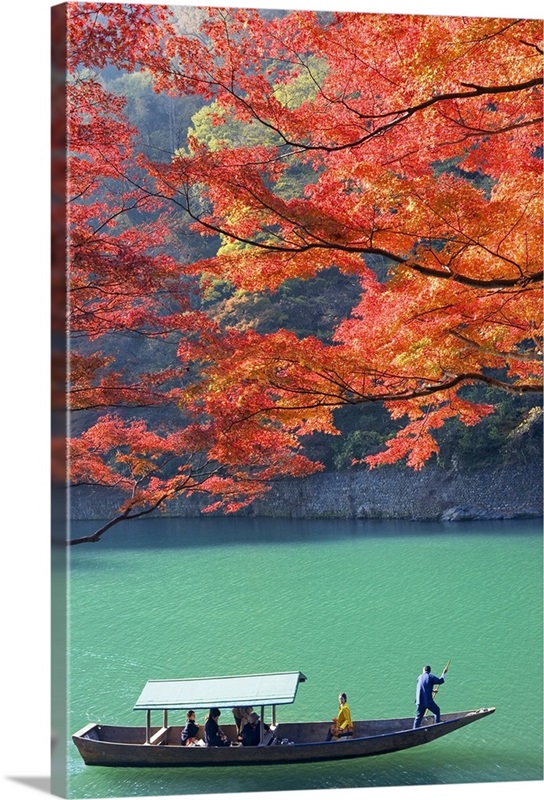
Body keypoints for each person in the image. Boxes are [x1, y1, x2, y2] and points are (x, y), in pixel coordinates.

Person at [413, 664, 448, 728]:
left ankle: (414, 730)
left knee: (418, 717)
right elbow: (441, 681)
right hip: (427, 701)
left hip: (419, 701)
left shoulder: (419, 677)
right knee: (437, 710)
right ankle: (437, 724)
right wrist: (444, 673)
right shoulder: (430, 677)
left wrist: (432, 691)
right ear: (429, 671)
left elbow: (423, 687)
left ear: (423, 670)